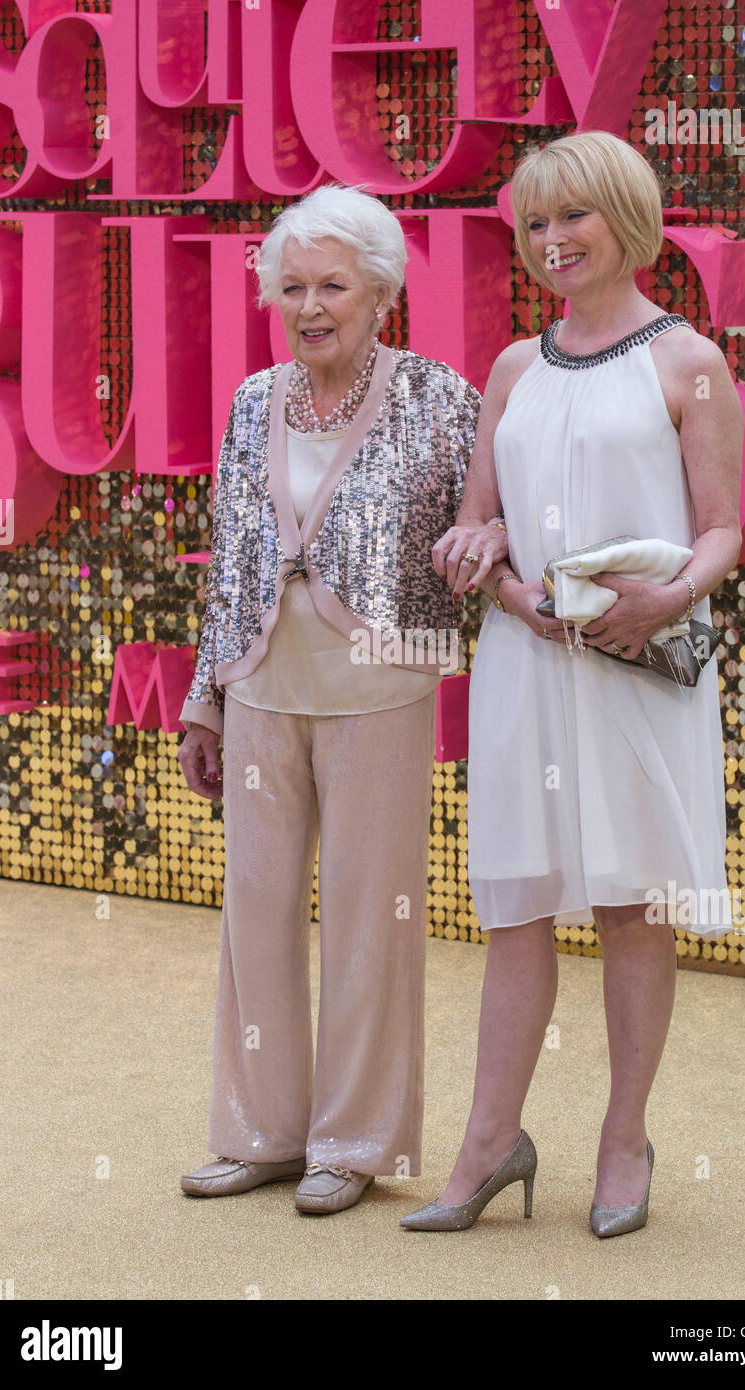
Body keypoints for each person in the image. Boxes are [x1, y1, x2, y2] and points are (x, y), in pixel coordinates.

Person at [403, 131, 743, 1234]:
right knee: (514, 906)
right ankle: (488, 1142)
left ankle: (622, 1138)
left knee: (634, 909)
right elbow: (472, 530)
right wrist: (493, 581)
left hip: (639, 667)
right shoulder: (511, 366)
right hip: (526, 669)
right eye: (534, 224)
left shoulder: (685, 359)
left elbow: (720, 529)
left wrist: (662, 600)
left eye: (572, 218)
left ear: (625, 220)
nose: (551, 241)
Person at [176, 184, 486, 1214]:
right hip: (262, 684)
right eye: (292, 286)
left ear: (380, 293)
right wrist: (203, 697)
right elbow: (230, 557)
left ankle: (350, 1140)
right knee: (253, 914)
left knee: (369, 917)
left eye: (333, 287)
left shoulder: (439, 397)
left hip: (381, 686)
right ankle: (259, 1129)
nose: (310, 306)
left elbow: (488, 528)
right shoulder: (252, 401)